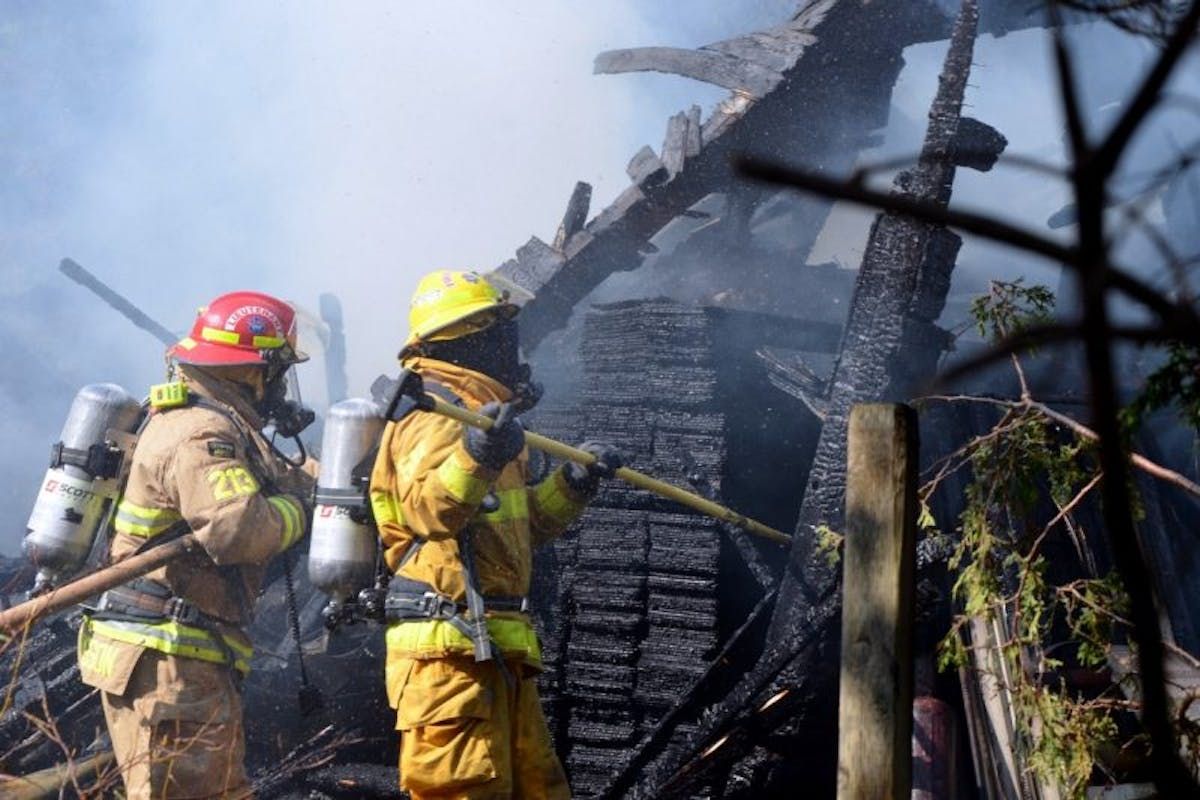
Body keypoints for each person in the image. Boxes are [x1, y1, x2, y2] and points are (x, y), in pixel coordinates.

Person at [370, 270, 621, 799]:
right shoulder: (437, 412)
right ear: (474, 336)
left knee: (540, 791)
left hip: (496, 650)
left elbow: (518, 528)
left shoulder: (489, 418)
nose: (513, 346)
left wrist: (573, 486)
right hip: (449, 658)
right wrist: (475, 454)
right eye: (503, 332)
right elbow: (425, 511)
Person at [77, 291, 315, 799]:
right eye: (278, 371)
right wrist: (305, 510)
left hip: (173, 653)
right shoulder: (202, 433)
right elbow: (239, 530)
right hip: (170, 657)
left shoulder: (207, 421)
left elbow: (276, 478)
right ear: (256, 370)